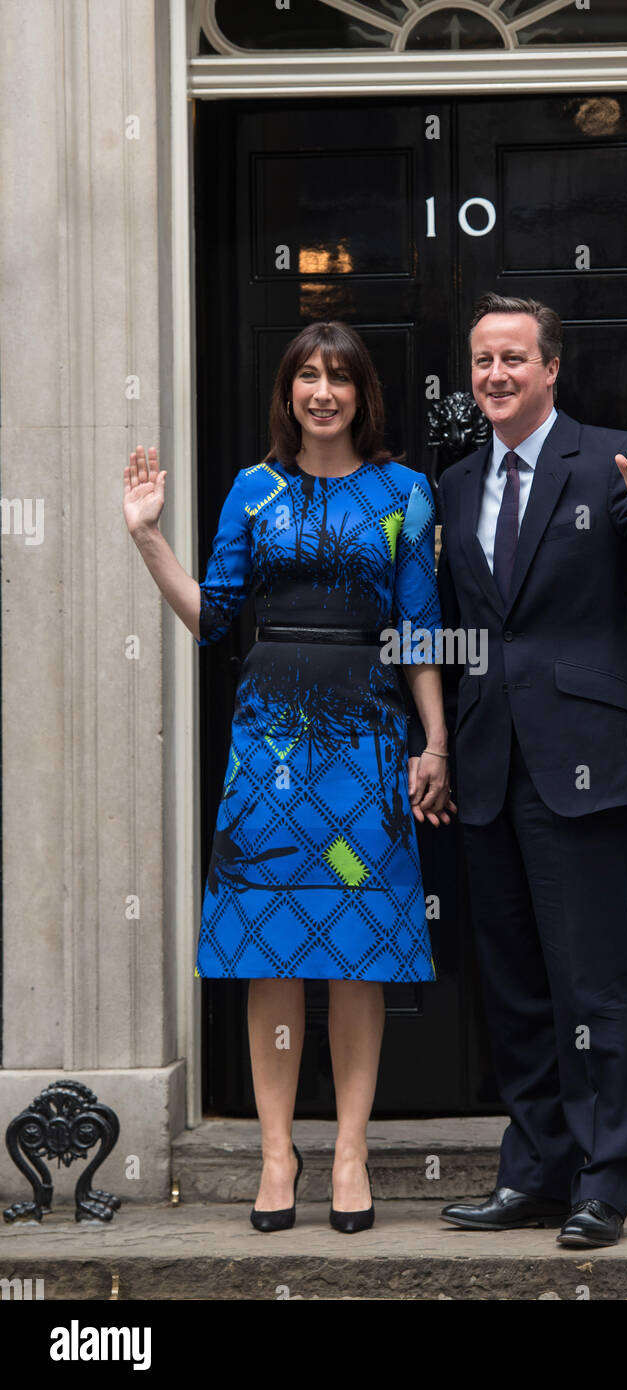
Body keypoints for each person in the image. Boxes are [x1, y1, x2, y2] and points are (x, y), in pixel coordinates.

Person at [123, 321, 452, 1234]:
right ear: (288, 392)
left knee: (355, 952)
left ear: (361, 395)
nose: (321, 392)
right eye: (306, 376)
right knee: (270, 948)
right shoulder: (252, 491)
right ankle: (278, 1152)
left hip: (366, 742)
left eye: (338, 378)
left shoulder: (404, 492)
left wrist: (434, 745)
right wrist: (149, 540)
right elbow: (210, 617)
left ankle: (349, 1151)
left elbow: (420, 631)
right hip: (268, 746)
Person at [436, 293, 627, 1248]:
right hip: (485, 760)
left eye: (514, 358)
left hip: (583, 762)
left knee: (590, 984)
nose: (497, 375)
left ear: (550, 369)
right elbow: (464, 628)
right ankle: (534, 1174)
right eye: (483, 361)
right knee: (512, 983)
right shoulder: (456, 484)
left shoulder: (608, 459)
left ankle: (603, 1182)